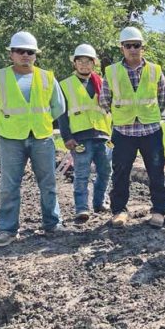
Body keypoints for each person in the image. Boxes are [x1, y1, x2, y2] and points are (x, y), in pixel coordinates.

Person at [0, 31, 66, 247]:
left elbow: (59, 107)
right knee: (9, 185)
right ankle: (7, 229)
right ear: (11, 54)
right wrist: (6, 122)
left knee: (48, 183)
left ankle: (52, 224)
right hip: (11, 139)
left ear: (35, 55)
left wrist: (40, 122)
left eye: (30, 52)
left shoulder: (47, 77)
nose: (25, 55)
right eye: (20, 51)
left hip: (41, 137)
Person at [99, 26, 165, 228]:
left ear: (142, 48)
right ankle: (119, 211)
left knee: (156, 171)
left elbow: (163, 98)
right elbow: (104, 100)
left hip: (151, 131)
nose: (133, 49)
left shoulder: (155, 70)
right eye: (128, 46)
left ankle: (158, 211)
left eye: (136, 45)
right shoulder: (111, 72)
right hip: (123, 132)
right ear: (122, 48)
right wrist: (123, 113)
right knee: (121, 172)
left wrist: (148, 114)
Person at [57, 44, 112, 222]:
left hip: (102, 135)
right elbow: (62, 114)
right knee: (82, 174)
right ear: (74, 63)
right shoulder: (65, 85)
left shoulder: (102, 83)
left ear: (94, 63)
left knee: (105, 172)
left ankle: (99, 202)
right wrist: (67, 137)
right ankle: (82, 208)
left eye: (88, 61)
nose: (84, 65)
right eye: (80, 61)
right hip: (80, 137)